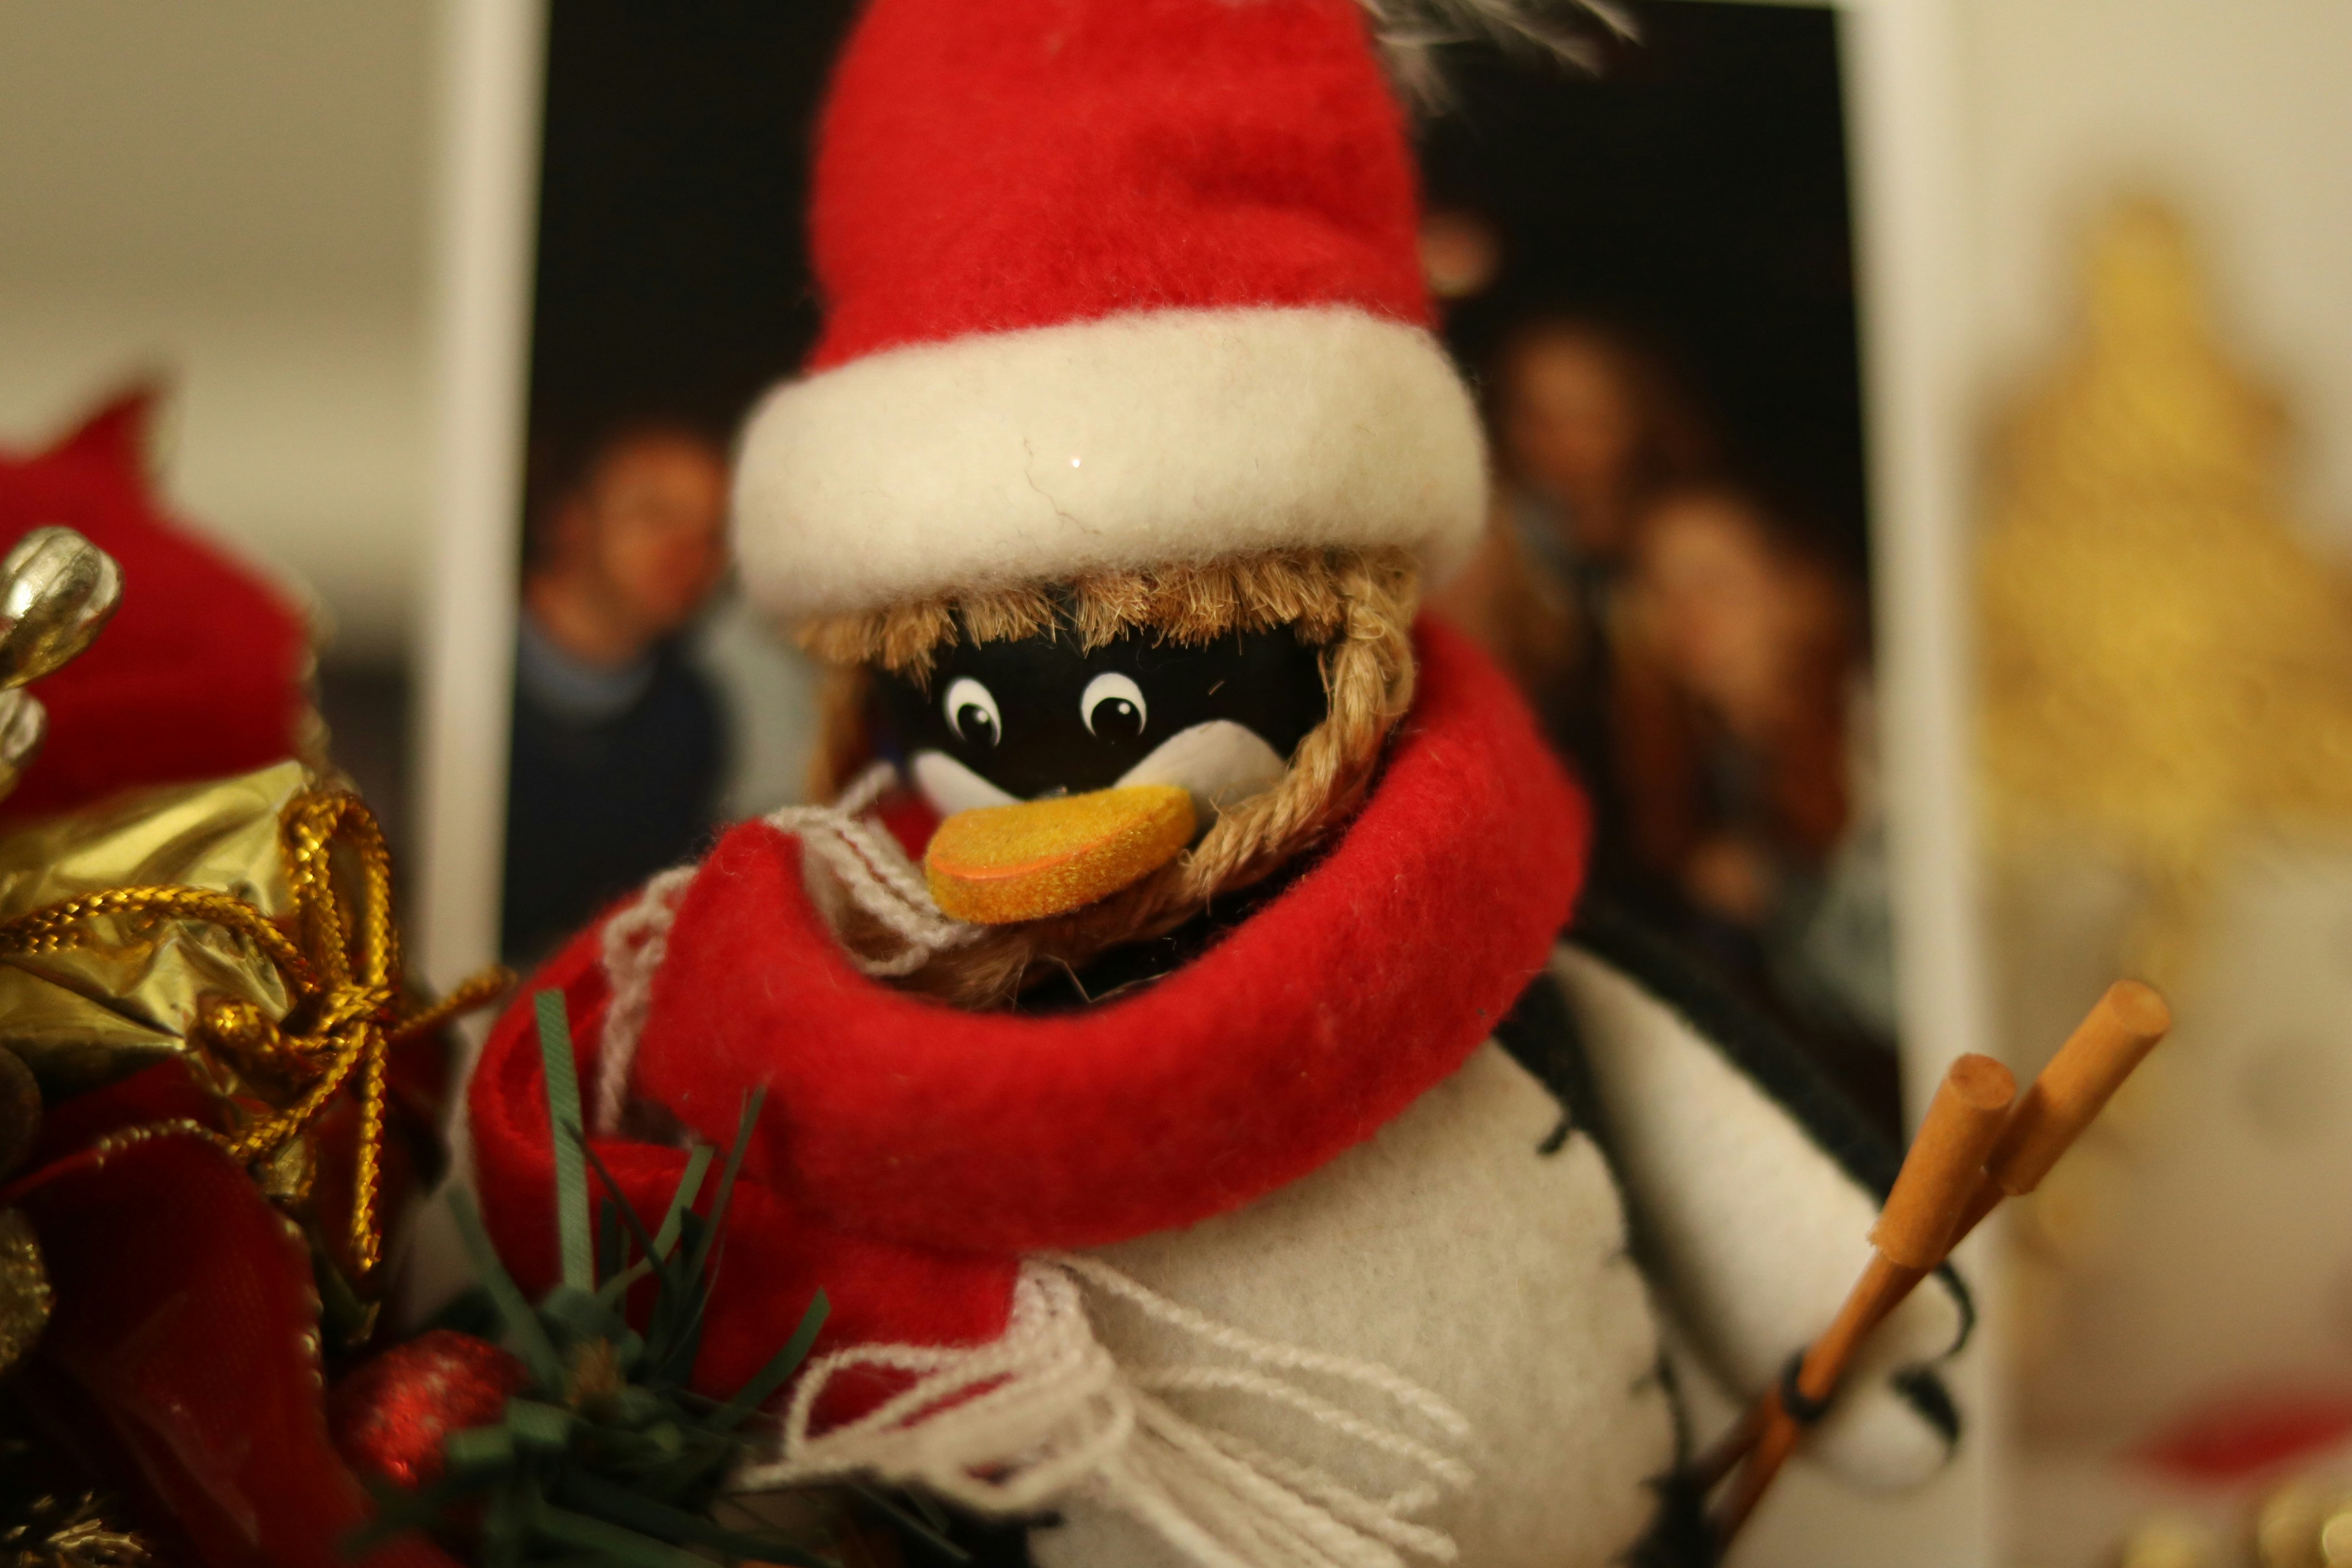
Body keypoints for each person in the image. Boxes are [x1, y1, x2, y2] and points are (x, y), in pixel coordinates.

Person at [1613, 481, 1900, 1124]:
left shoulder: (1882, 726)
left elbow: (1901, 986)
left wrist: (1779, 893)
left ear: (1797, 592)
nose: (1687, 612)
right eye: (1661, 588)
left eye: (1715, 582)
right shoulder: (1717, 759)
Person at [1429, 315, 1715, 887]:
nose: (1560, 444)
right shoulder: (1491, 551)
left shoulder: (1689, 543)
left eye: (1590, 417)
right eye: (1535, 416)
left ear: (1642, 416)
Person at [501, 416, 731, 964]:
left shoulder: (689, 716)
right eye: (655, 514)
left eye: (713, 533)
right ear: (568, 519)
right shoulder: (462, 673)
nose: (688, 551)